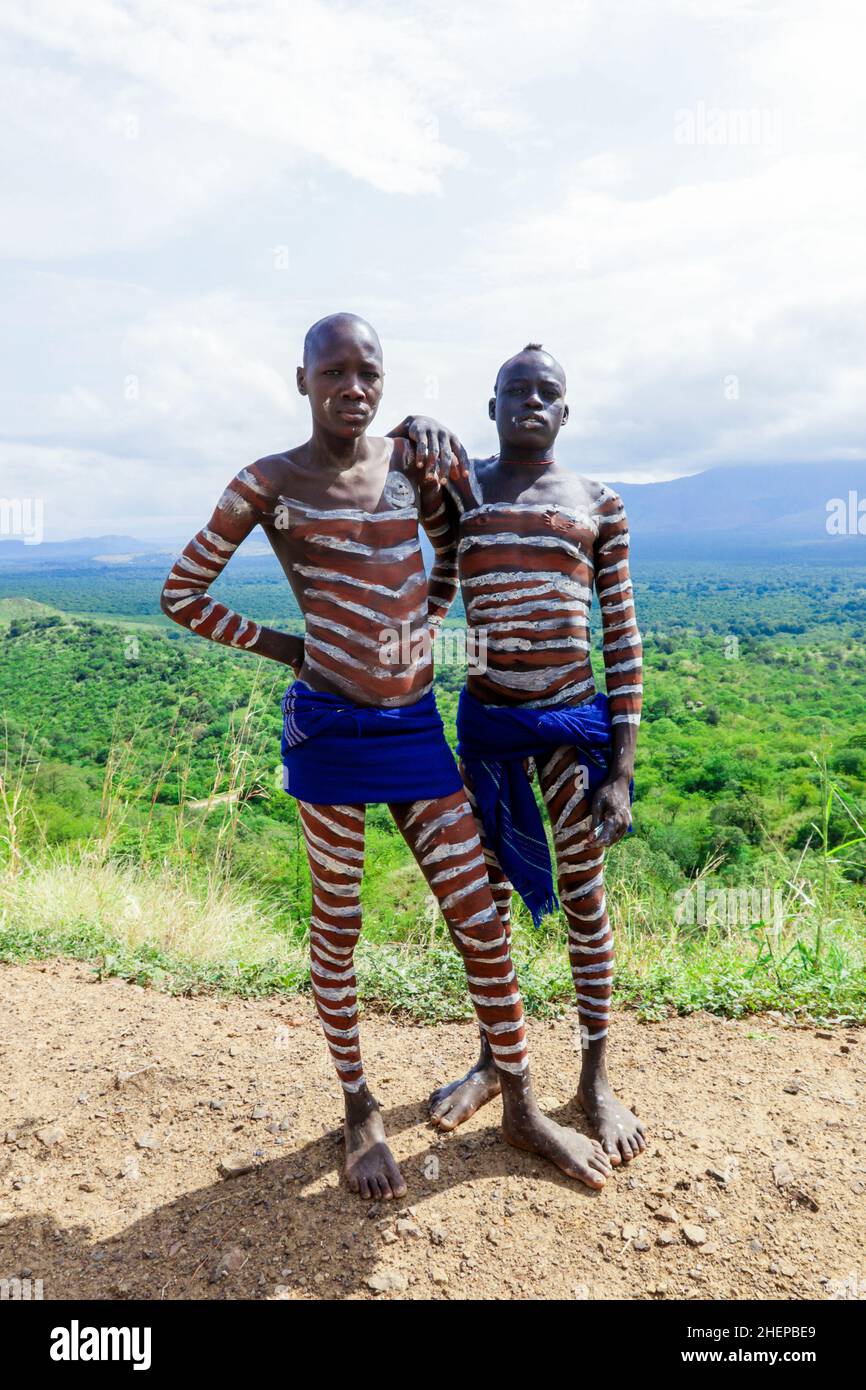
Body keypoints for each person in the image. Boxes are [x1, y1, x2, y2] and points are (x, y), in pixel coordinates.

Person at [161, 317, 613, 1196]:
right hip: (329, 732)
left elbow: (451, 542)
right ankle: (359, 1109)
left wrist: (425, 624)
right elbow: (182, 592)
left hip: (413, 728)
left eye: (368, 372)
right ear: (302, 380)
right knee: (339, 925)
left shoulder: (412, 463)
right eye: (334, 372)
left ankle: (521, 1105)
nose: (353, 388)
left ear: (383, 380)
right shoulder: (267, 483)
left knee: (479, 915)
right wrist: (291, 650)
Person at [389, 342, 647, 1167]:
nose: (531, 402)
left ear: (564, 413)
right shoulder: (464, 491)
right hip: (491, 731)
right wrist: (411, 425)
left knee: (584, 899)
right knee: (487, 906)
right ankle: (494, 1061)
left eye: (548, 393)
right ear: (491, 407)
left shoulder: (599, 502)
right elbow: (395, 476)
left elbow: (623, 638)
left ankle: (596, 1079)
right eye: (515, 392)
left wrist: (622, 769)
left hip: (573, 731)